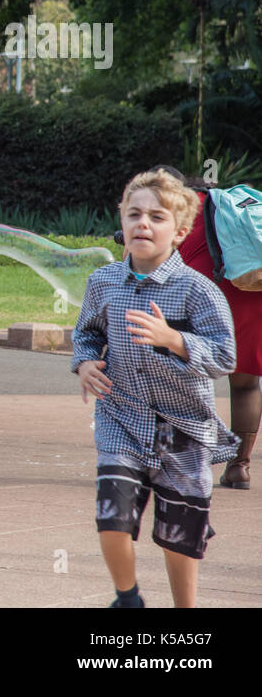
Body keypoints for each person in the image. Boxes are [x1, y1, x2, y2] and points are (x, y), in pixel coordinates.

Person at [73, 169, 237, 608]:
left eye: (157, 217)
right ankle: (128, 599)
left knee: (180, 537)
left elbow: (225, 355)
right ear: (121, 222)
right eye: (134, 214)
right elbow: (86, 334)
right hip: (121, 418)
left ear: (181, 232)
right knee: (111, 517)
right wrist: (85, 362)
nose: (143, 223)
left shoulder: (198, 290)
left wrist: (176, 340)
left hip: (184, 430)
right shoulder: (103, 282)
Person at [156, 166, 262, 490]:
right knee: (245, 382)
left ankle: (179, 459)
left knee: (178, 376)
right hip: (253, 289)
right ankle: (239, 467)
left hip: (211, 293)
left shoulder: (176, 209)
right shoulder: (220, 203)